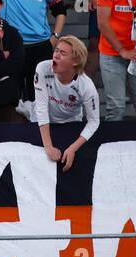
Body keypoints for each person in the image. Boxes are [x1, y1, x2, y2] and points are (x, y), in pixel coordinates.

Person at [34, 36, 100, 170]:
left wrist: (73, 148)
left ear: (75, 61)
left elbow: (94, 121)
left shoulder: (87, 87)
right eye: (56, 50)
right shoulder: (42, 68)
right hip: (42, 123)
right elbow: (41, 108)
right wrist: (48, 146)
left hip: (71, 124)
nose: (56, 55)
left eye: (62, 53)